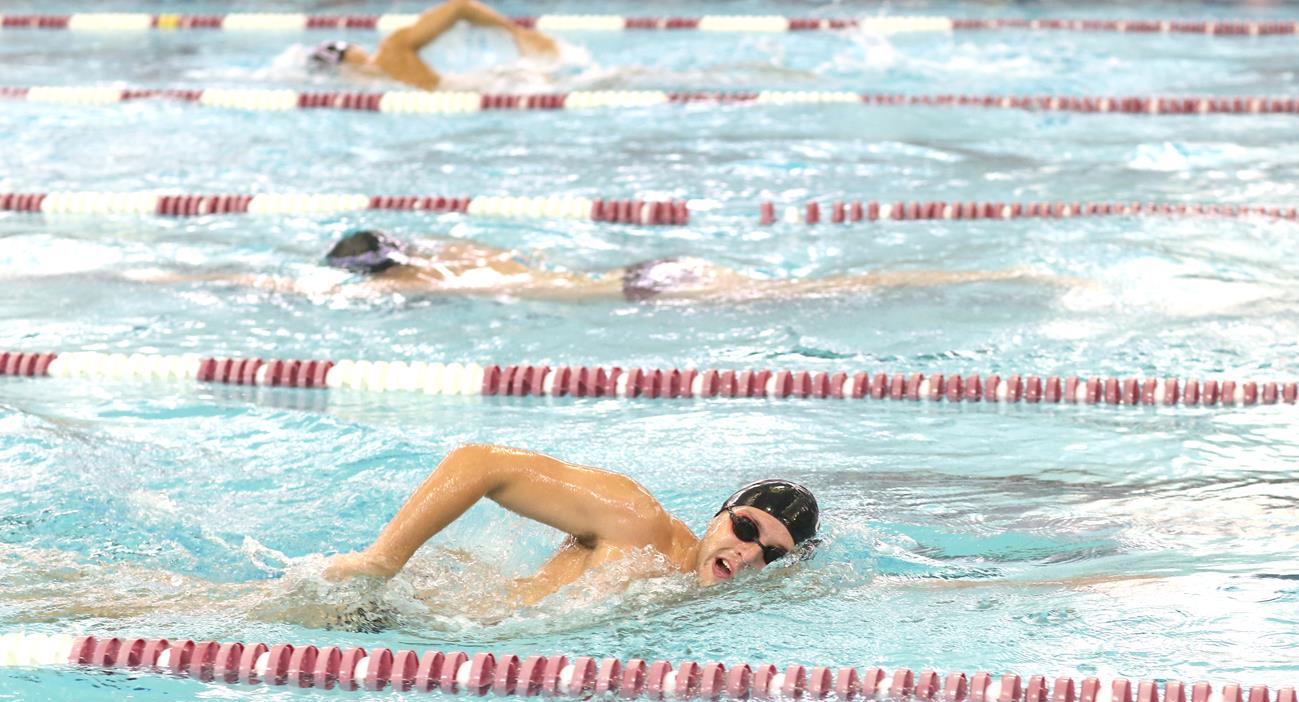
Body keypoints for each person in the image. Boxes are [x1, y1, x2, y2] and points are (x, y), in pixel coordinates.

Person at [324, 444, 820, 607]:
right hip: (388, 611)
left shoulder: (712, 597)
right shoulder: (637, 522)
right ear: (719, 515)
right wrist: (381, 561)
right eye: (748, 530)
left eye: (772, 554)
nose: (750, 554)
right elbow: (478, 463)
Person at [149, 229, 1070, 303]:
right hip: (640, 272)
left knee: (816, 294)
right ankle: (974, 278)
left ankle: (980, 281)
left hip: (643, 294)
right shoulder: (457, 257)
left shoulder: (428, 282)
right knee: (815, 289)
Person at [310, 0, 562, 91]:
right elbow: (460, 5)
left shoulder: (373, 82)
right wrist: (516, 31)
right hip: (497, 85)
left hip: (496, 84)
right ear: (350, 56)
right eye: (347, 46)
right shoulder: (391, 50)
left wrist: (516, 32)